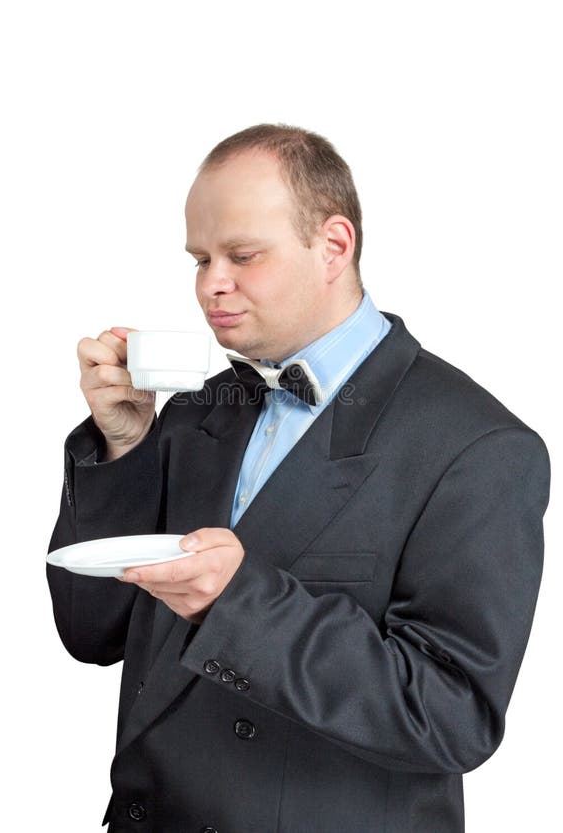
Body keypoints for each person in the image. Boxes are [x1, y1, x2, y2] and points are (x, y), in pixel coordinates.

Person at [47, 123, 550, 833]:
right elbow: (88, 630)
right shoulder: (195, 413)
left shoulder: (480, 447)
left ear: (334, 247)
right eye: (200, 259)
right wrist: (124, 445)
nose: (210, 284)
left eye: (242, 255)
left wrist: (238, 603)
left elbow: (453, 716)